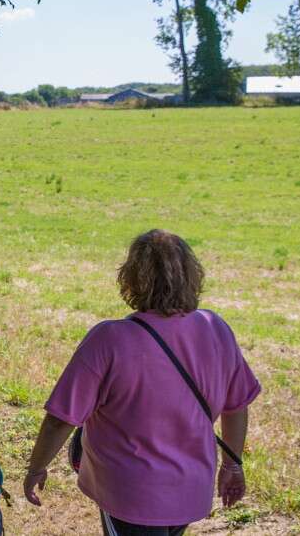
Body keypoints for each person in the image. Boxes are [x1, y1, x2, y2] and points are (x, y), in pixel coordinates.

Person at [22, 229, 260, 535]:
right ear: (192, 275)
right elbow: (237, 405)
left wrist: (36, 467)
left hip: (130, 494)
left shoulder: (108, 339)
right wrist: (232, 465)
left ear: (132, 278)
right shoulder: (216, 329)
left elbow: (60, 420)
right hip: (189, 491)